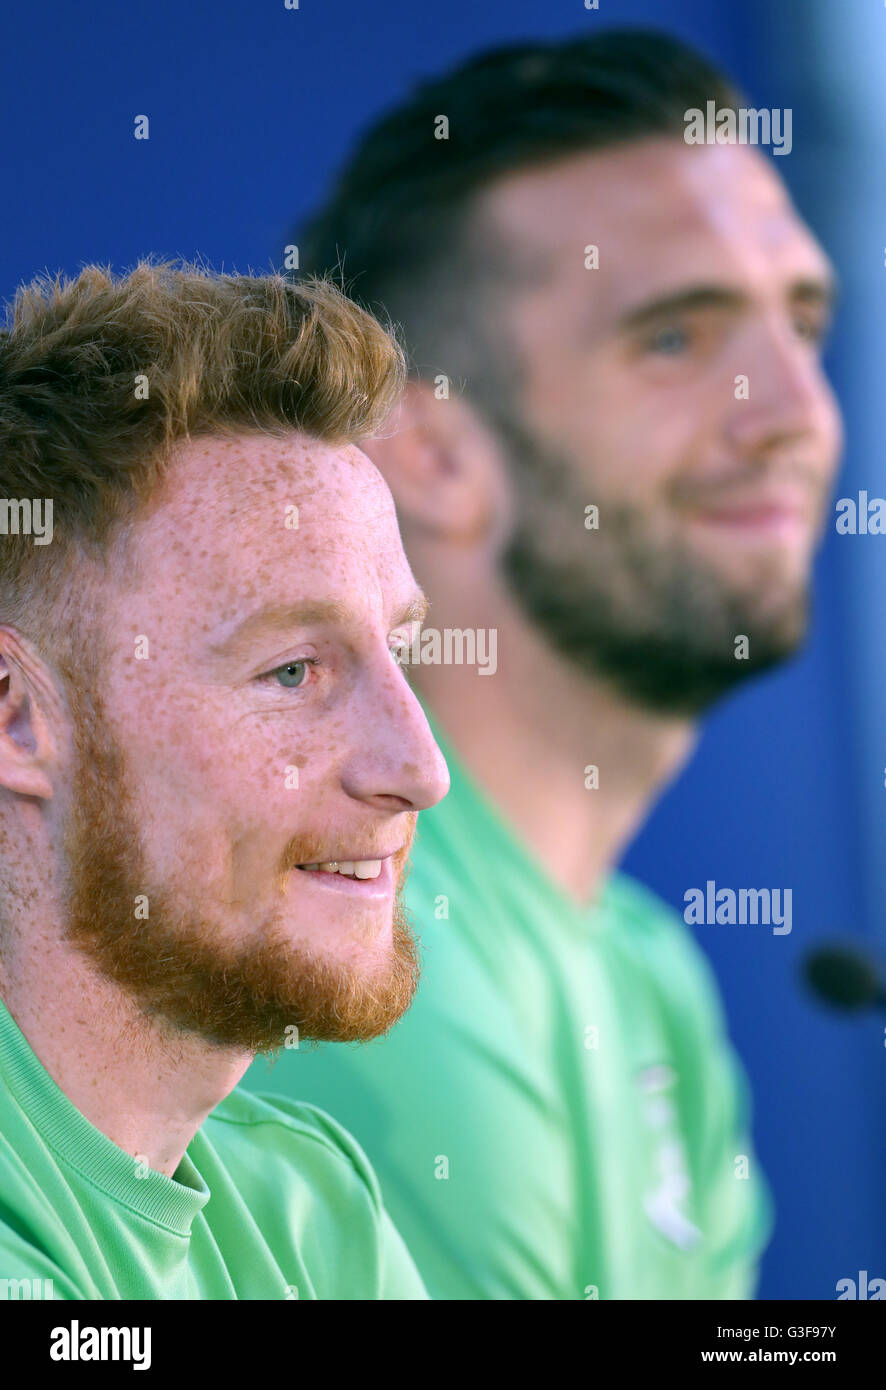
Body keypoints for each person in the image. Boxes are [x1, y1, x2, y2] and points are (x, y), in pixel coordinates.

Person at [242, 30, 843, 1299]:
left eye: (802, 321)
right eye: (676, 339)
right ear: (436, 454)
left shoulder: (642, 970)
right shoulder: (359, 944)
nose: (795, 411)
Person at [0, 261, 449, 1300]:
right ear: (17, 717)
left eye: (398, 651)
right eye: (292, 671)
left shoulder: (306, 1198)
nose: (417, 770)